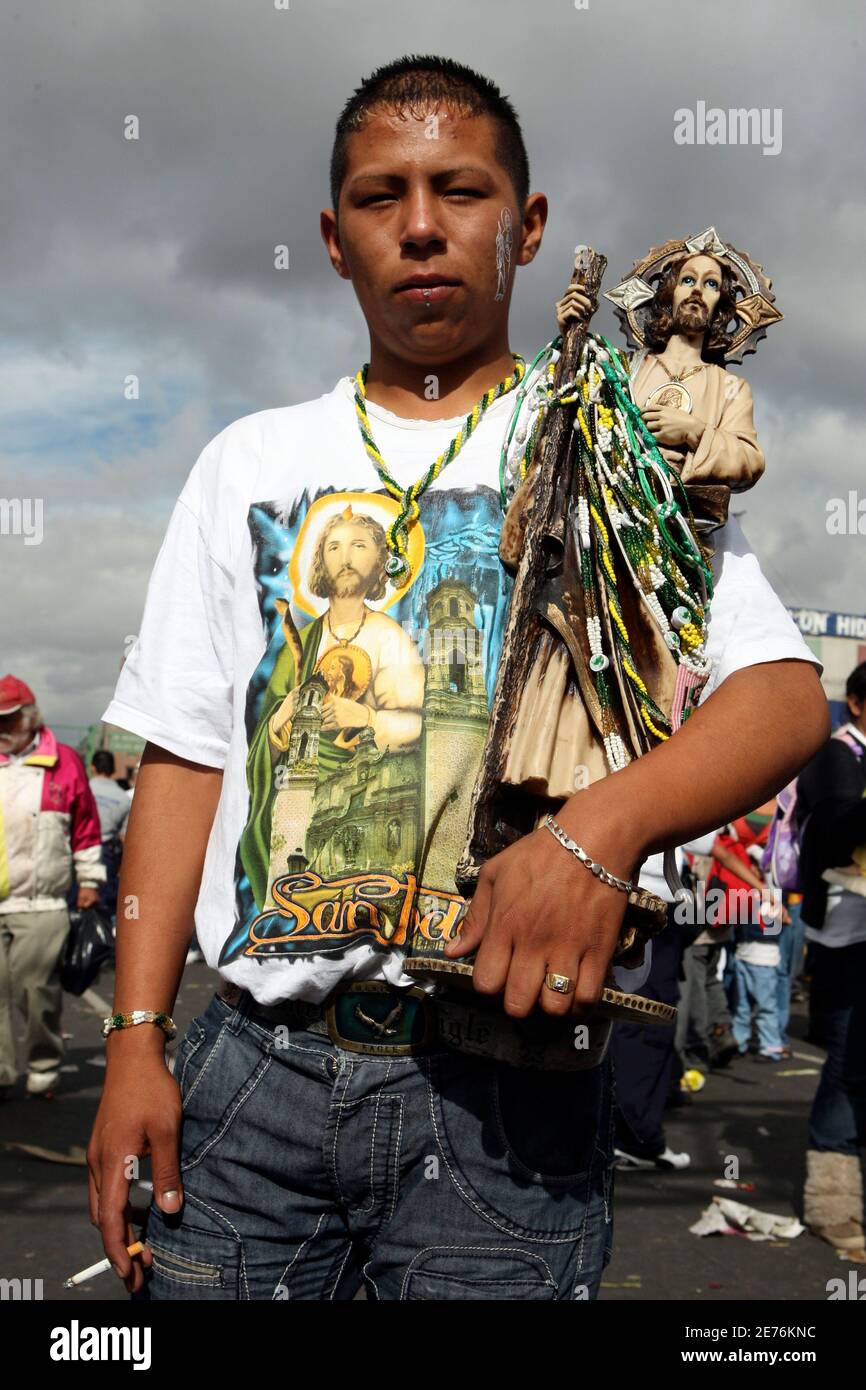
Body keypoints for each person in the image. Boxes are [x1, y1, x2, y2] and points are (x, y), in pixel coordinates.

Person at [87, 55, 828, 1301]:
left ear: (524, 226)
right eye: (381, 197)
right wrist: (131, 1042)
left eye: (460, 189)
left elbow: (779, 696)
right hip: (252, 1087)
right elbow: (184, 757)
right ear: (333, 239)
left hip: (507, 1104)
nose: (421, 225)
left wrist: (596, 833)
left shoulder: (604, 438)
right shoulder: (247, 462)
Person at [0, 675, 105, 1096]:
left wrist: (91, 881)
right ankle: (3, 1071)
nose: (2, 730)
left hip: (39, 902)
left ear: (30, 717)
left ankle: (43, 1061)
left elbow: (85, 828)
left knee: (34, 990)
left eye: (8, 720)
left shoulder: (62, 761)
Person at [797, 661, 866, 1259]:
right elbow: (835, 827)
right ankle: (831, 1198)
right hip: (850, 934)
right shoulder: (838, 753)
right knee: (848, 1056)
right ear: (858, 704)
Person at [88, 749, 130, 918]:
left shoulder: (84, 787)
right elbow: (125, 837)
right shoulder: (124, 798)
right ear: (113, 770)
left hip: (78, 853)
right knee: (102, 908)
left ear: (93, 767)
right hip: (107, 856)